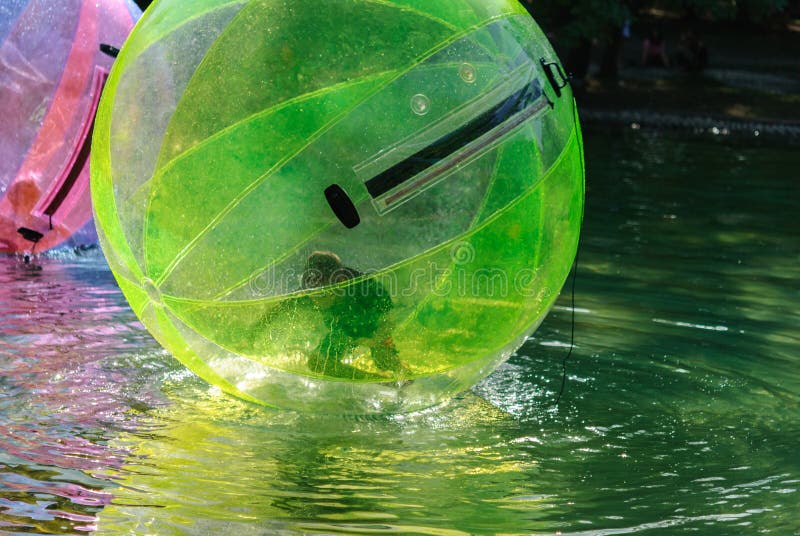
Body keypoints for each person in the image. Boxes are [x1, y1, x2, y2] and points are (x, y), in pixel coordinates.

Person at [301, 251, 402, 379]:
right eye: (311, 291)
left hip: (372, 325)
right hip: (343, 329)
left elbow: (389, 319)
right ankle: (378, 380)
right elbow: (281, 306)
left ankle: (405, 376)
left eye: (323, 292)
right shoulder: (309, 289)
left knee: (383, 361)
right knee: (317, 363)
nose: (316, 298)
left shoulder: (366, 288)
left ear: (340, 282)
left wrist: (376, 339)